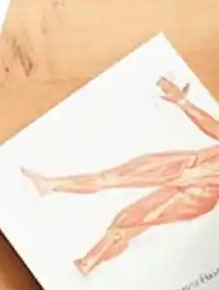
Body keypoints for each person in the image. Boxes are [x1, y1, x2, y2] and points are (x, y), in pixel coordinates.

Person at [22, 77, 219, 276]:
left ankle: (88, 261)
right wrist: (182, 102)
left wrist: (182, 103)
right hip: (192, 165)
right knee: (119, 182)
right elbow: (213, 128)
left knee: (133, 217)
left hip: (200, 189)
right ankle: (50, 187)